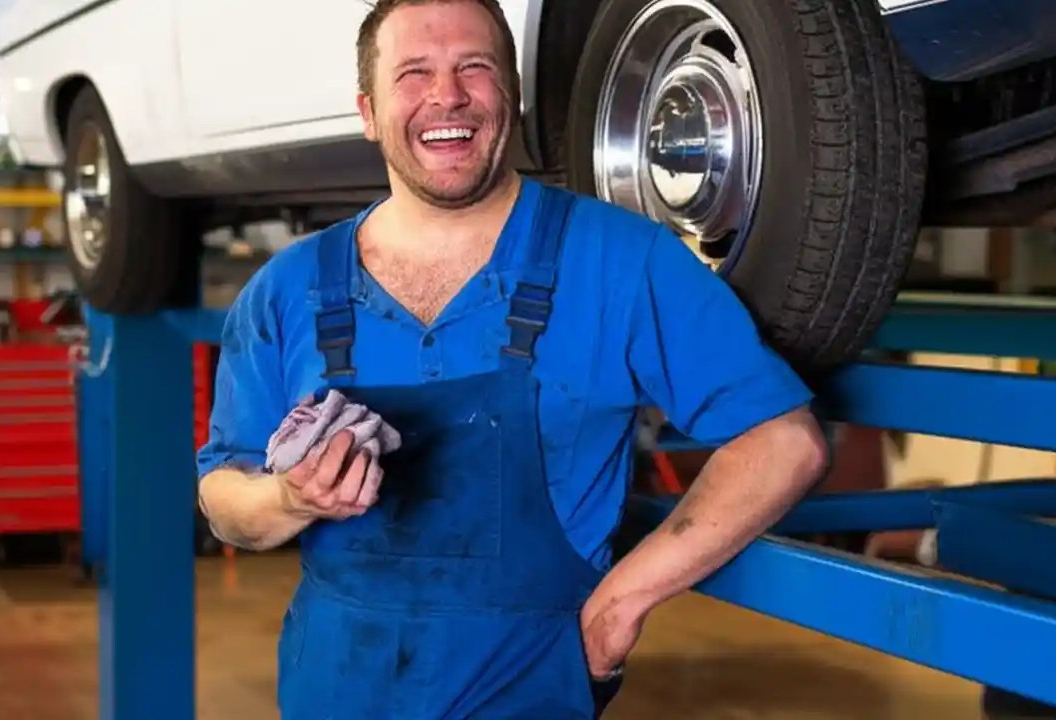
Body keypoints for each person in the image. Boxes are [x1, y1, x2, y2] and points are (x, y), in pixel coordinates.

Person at [195, 0, 829, 716]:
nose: (447, 96)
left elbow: (782, 442)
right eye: (414, 73)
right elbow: (224, 495)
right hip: (332, 687)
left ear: (515, 97)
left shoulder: (622, 260)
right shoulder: (286, 288)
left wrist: (618, 608)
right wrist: (286, 499)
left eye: (475, 67)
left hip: (530, 691)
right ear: (368, 112)